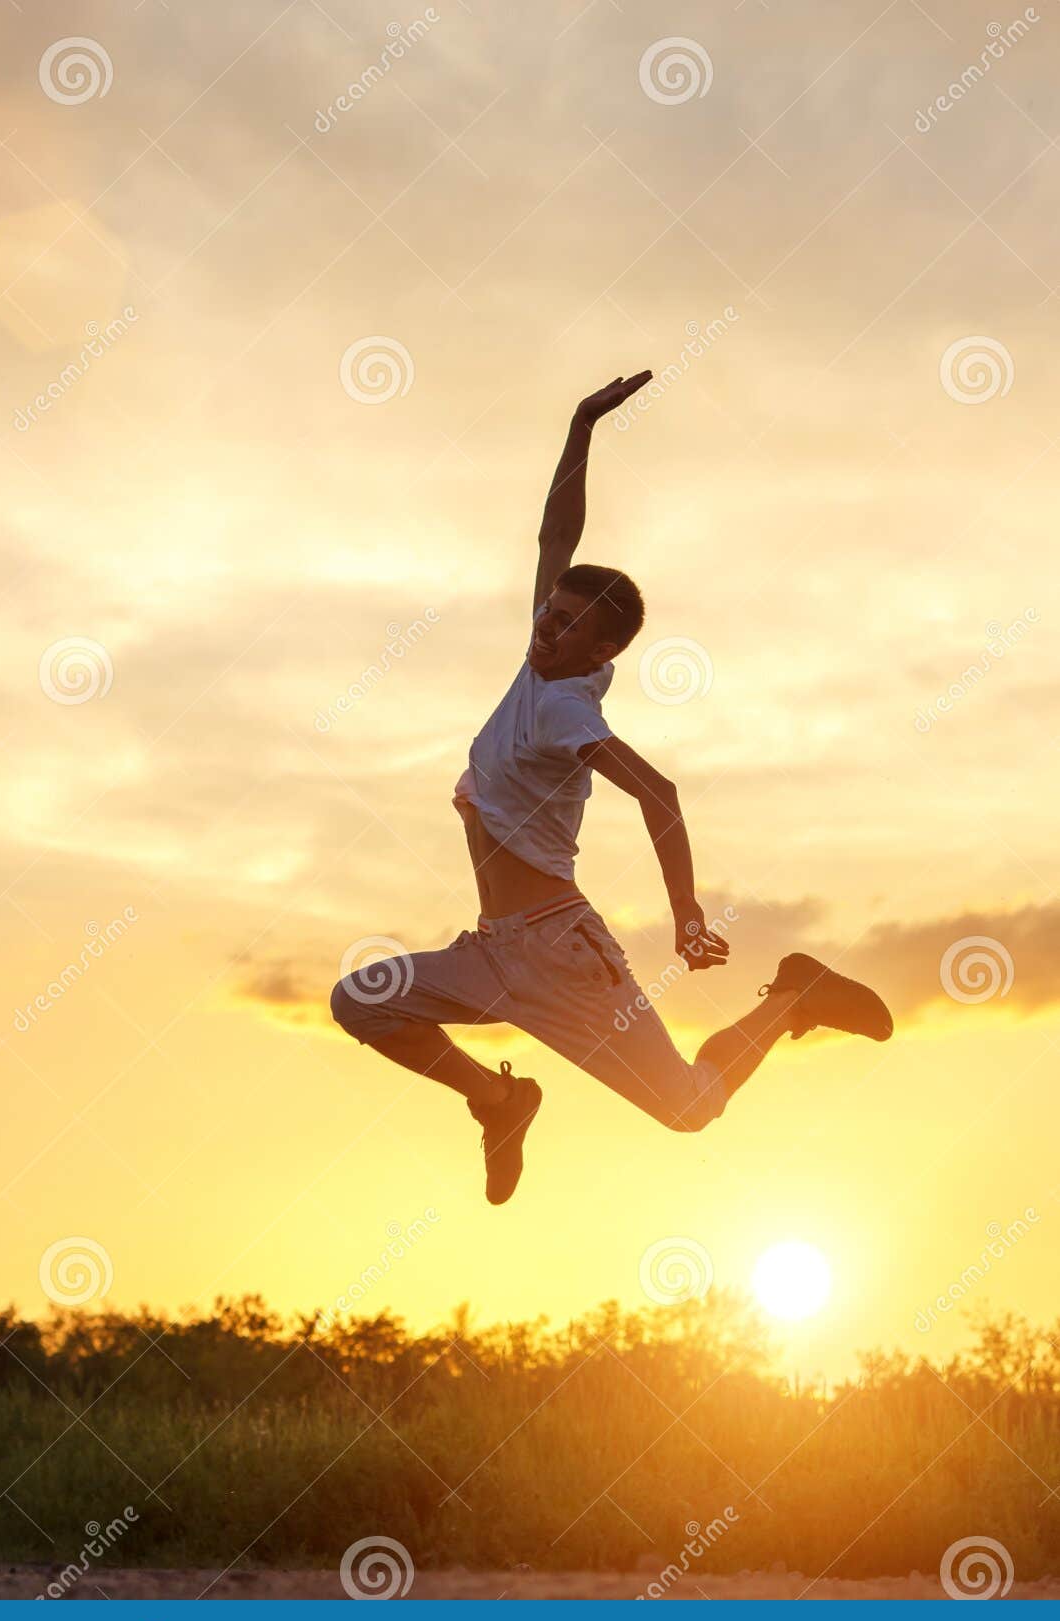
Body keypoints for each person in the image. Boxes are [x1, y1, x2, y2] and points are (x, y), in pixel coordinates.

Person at [331, 373, 892, 1204]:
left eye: (563, 626)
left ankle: (792, 996)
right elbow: (555, 535)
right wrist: (581, 424)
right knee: (359, 1001)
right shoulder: (537, 661)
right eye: (546, 614)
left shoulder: (562, 706)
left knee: (689, 1109)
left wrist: (687, 913)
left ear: (600, 654)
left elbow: (659, 794)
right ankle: (500, 1100)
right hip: (494, 950)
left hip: (564, 959)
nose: (543, 629)